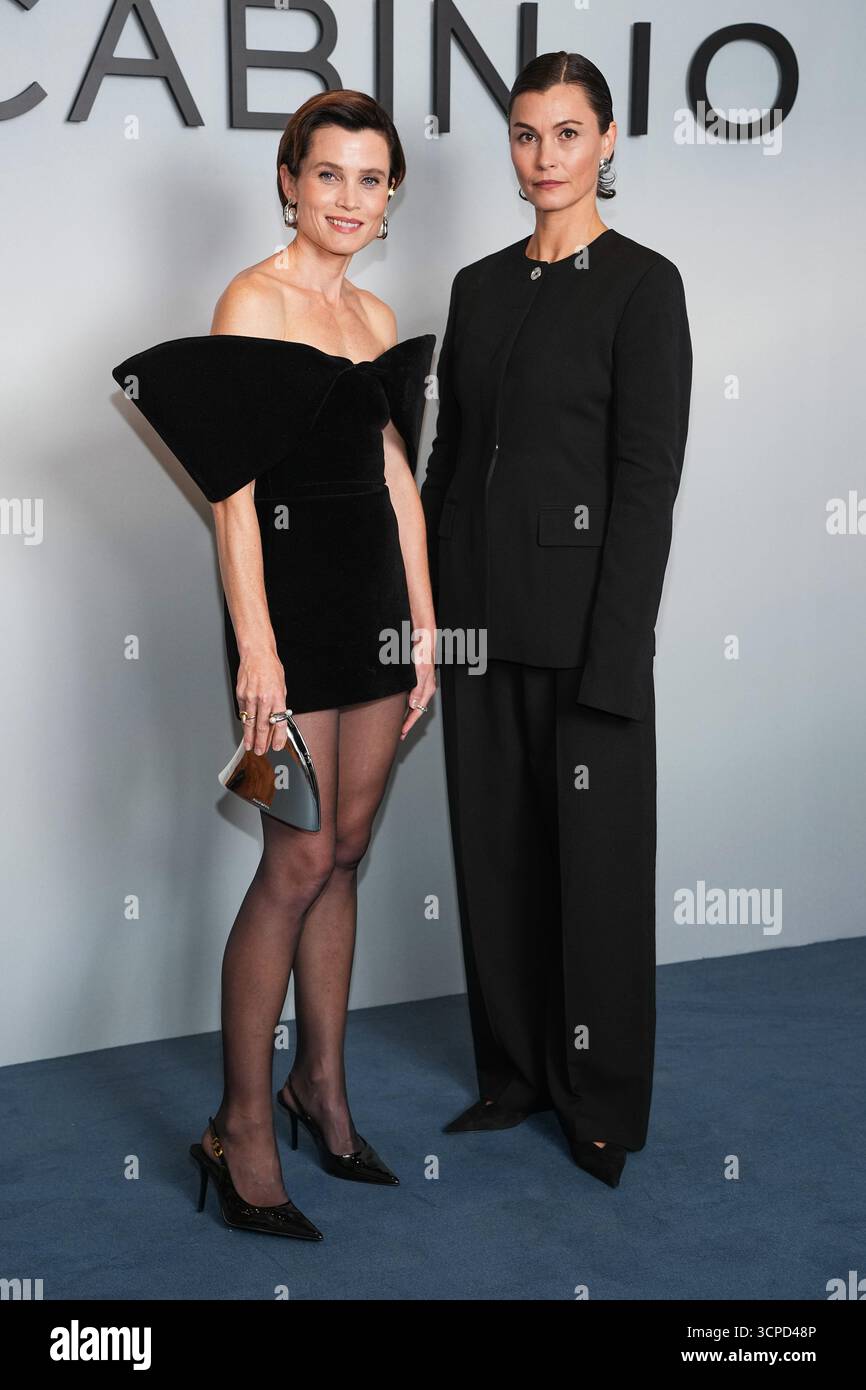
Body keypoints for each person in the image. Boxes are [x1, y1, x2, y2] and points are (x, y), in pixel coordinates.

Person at [112, 90, 436, 1237]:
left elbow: (399, 483)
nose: (349, 197)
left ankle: (322, 1090)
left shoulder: (377, 309)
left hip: (375, 618)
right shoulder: (251, 298)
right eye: (330, 174)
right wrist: (256, 648)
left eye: (371, 178)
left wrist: (427, 624)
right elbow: (233, 490)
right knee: (291, 867)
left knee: (344, 855)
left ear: (389, 197)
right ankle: (240, 1126)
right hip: (288, 625)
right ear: (290, 181)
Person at [420, 51, 692, 1189]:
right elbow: (444, 464)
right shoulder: (477, 288)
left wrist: (616, 649)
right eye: (526, 135)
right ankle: (516, 1073)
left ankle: (599, 1104)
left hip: (585, 635)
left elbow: (644, 481)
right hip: (477, 631)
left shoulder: (642, 283)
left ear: (608, 140)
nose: (543, 158)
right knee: (494, 863)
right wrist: (422, 620)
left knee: (596, 874)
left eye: (566, 134)